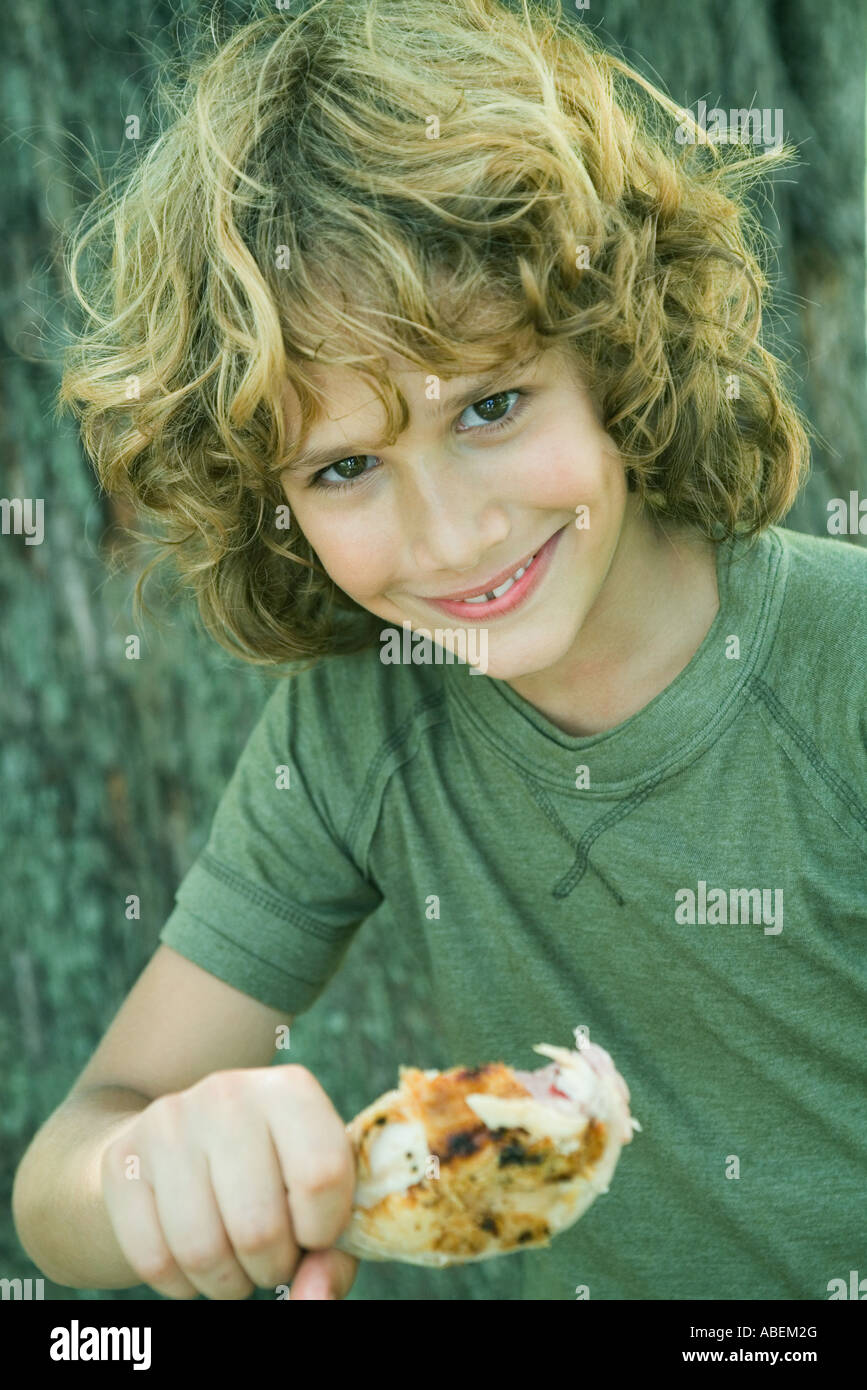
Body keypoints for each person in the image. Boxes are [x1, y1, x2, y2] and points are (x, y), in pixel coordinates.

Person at [13, 0, 866, 1302]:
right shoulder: (358, 726)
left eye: (492, 404)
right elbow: (62, 1177)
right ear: (276, 506)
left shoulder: (843, 668)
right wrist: (154, 1173)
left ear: (616, 351)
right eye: (347, 464)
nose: (454, 532)